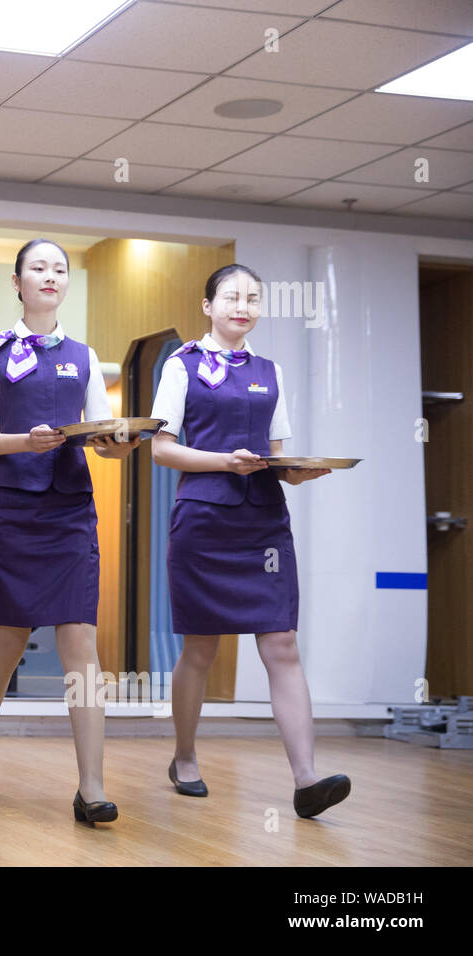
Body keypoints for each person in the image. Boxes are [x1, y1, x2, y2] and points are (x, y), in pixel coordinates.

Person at [150, 263, 349, 819]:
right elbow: (162, 449)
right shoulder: (181, 365)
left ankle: (306, 778)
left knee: (281, 643)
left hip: (262, 519)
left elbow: (276, 452)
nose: (243, 306)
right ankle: (185, 757)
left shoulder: (270, 370)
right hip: (204, 520)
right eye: (231, 297)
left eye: (253, 298)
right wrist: (224, 463)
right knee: (201, 647)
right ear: (207, 306)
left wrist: (296, 471)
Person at [0, 238, 139, 826]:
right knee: (9, 639)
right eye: (38, 267)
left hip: (69, 511)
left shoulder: (85, 357)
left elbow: (96, 437)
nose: (50, 276)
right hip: (13, 507)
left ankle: (91, 785)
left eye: (60, 269)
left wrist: (117, 445)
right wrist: (24, 442)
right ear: (17, 280)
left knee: (80, 639)